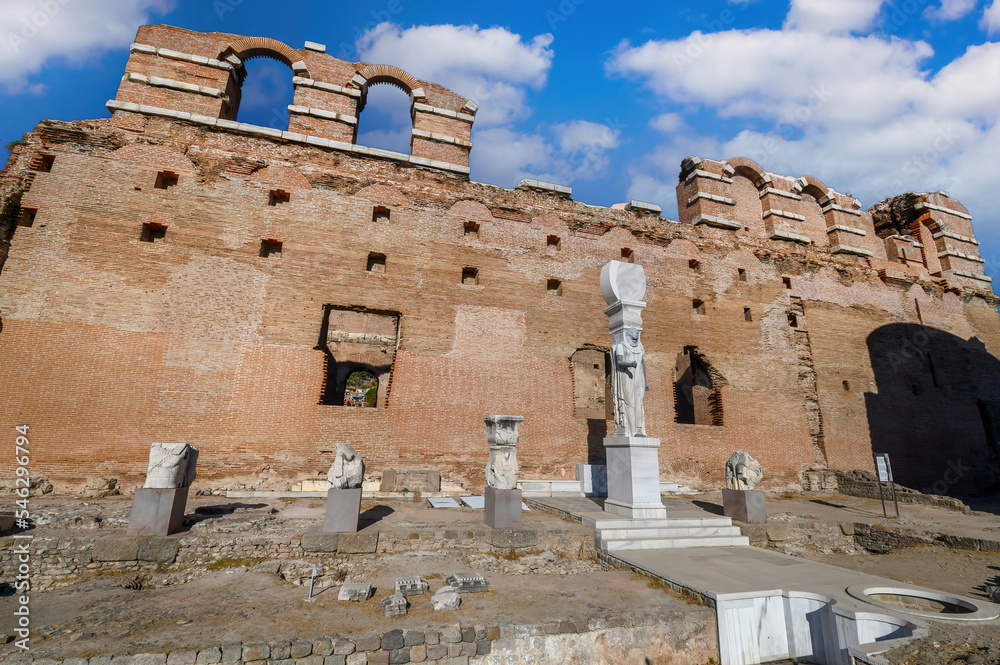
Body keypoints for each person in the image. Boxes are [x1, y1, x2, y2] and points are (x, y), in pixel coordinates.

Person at [612, 326, 648, 436]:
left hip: (639, 376)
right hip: (626, 375)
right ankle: (631, 431)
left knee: (639, 402)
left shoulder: (640, 348)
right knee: (629, 402)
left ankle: (639, 430)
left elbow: (642, 364)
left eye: (638, 332)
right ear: (629, 333)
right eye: (635, 332)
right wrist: (630, 364)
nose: (637, 334)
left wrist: (645, 382)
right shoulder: (620, 346)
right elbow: (619, 362)